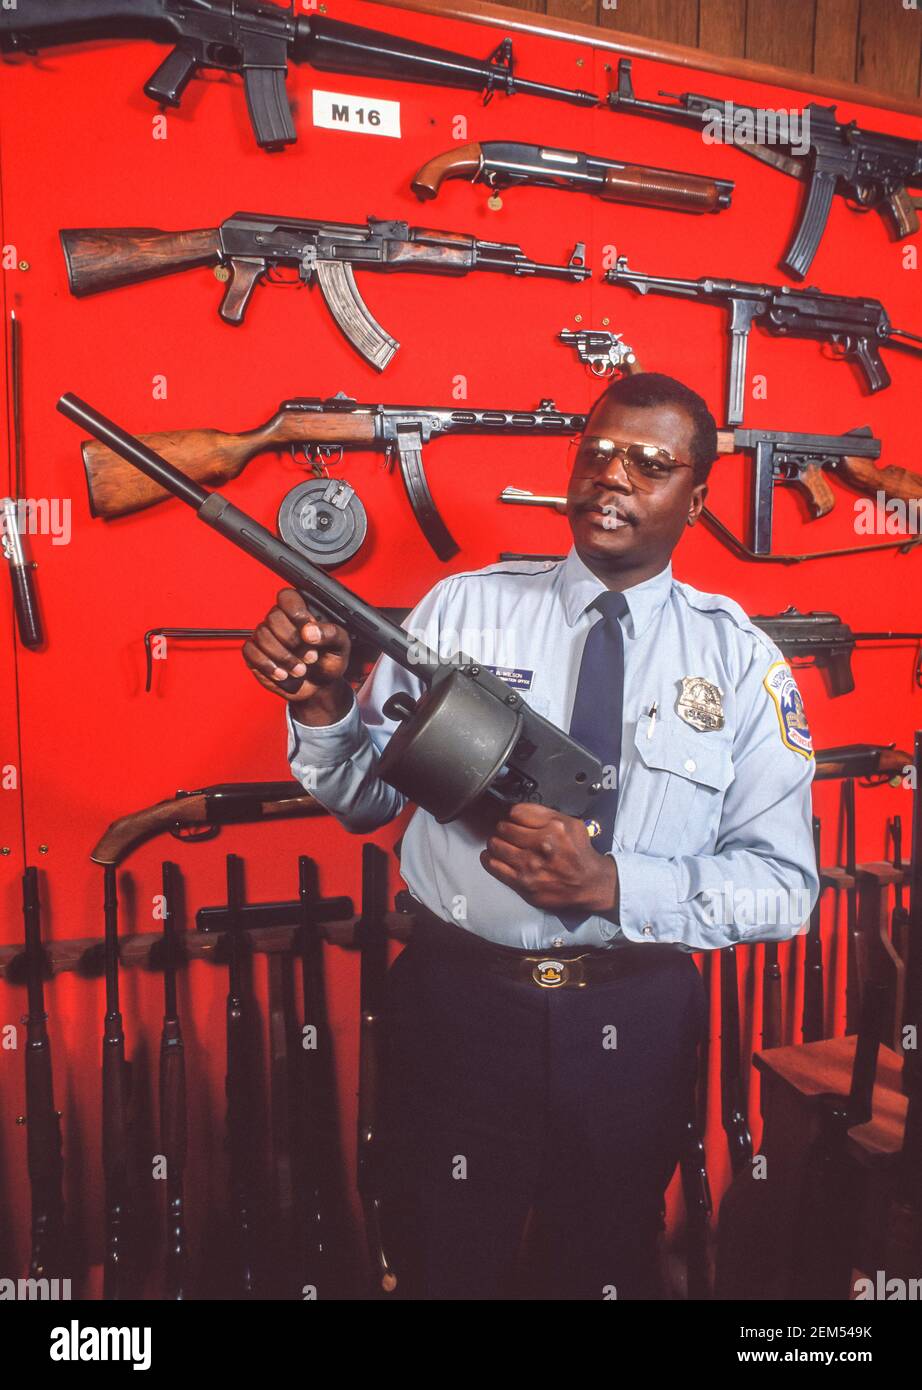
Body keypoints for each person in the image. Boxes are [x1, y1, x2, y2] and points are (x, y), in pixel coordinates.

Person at [243, 372, 820, 1300]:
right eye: (595, 452)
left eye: (650, 462)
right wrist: (323, 711)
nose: (612, 477)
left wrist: (615, 886)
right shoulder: (461, 611)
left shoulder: (741, 661)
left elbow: (786, 887)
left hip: (634, 1017)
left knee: (602, 1262)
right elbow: (365, 797)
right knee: (442, 1251)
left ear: (698, 498)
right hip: (457, 1003)